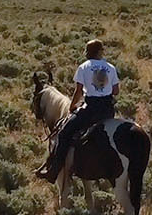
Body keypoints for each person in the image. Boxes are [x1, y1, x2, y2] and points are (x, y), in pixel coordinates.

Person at [35, 39, 120, 182]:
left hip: (90, 111)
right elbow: (116, 91)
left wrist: (72, 106)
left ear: (88, 53)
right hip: (108, 111)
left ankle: (53, 171)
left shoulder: (83, 67)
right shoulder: (110, 67)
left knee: (63, 133)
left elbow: (79, 91)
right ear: (101, 52)